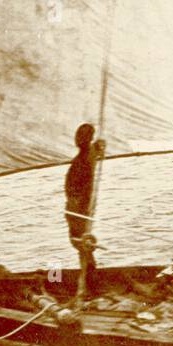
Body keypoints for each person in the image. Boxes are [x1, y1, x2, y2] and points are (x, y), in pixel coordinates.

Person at [64, 123, 104, 297]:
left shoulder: (84, 158)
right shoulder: (86, 156)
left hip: (78, 208)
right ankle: (91, 284)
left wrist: (78, 209)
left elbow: (82, 187)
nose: (77, 140)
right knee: (82, 246)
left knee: (82, 246)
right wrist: (99, 147)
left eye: (80, 137)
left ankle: (90, 286)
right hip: (77, 208)